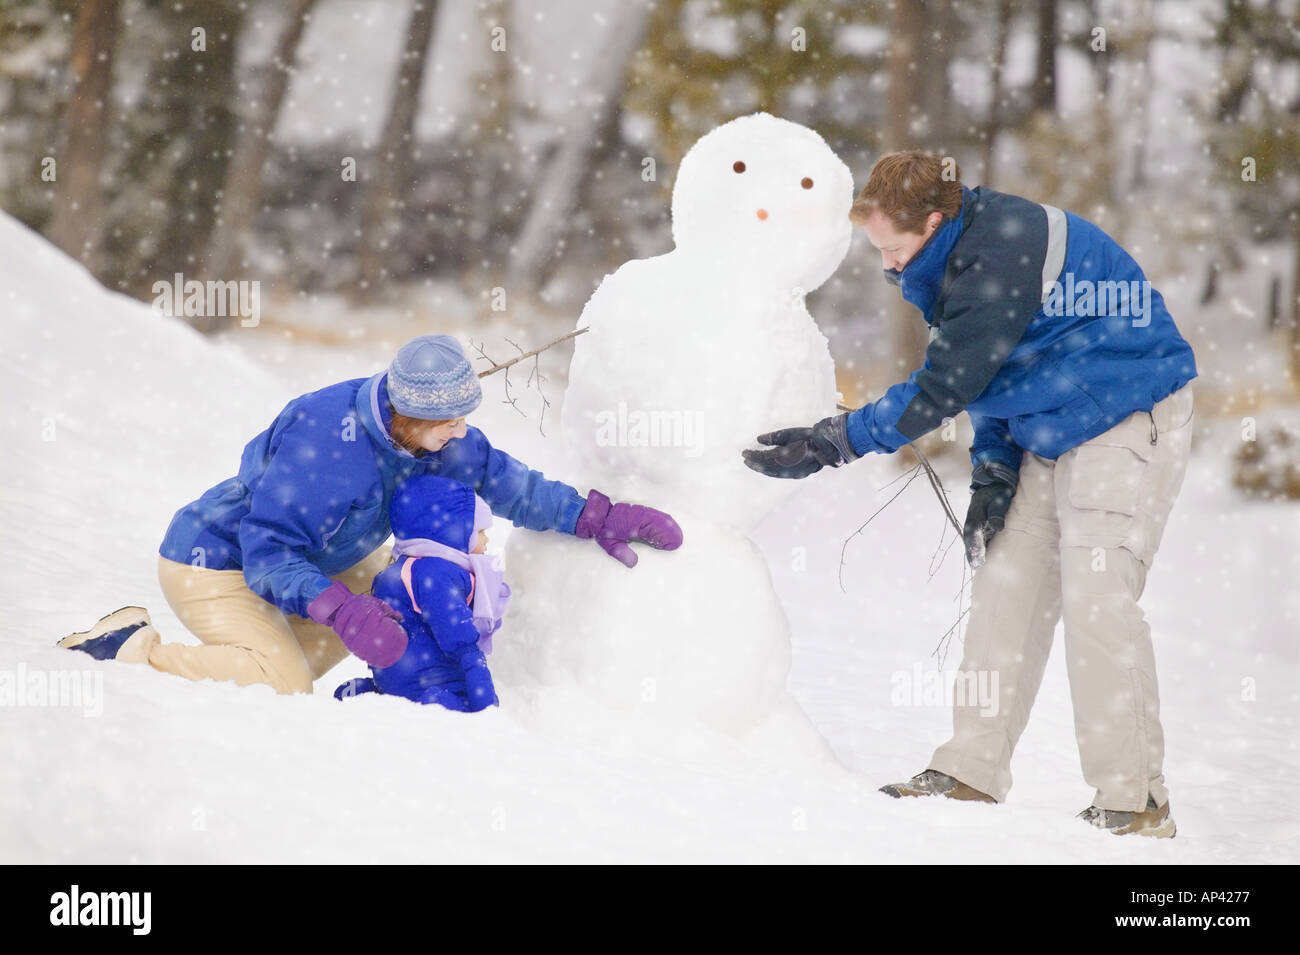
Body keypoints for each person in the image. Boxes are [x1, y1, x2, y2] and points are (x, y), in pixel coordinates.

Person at [743, 151, 1196, 838]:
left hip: (1128, 412)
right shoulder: (960, 252)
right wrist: (994, 469)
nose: (889, 267)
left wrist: (836, 439)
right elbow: (996, 372)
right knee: (1005, 585)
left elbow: (945, 385)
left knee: (1097, 596)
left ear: (932, 221)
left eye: (894, 250)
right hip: (1051, 424)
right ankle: (971, 770)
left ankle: (1136, 800)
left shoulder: (996, 254)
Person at [61, 335, 683, 695]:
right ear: (406, 417)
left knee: (377, 606)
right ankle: (131, 653)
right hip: (218, 563)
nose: (462, 432)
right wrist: (340, 608)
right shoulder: (326, 445)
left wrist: (598, 517)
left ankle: (320, 665)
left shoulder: (435, 437)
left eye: (466, 416)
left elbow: (510, 484)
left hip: (322, 559)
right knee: (283, 685)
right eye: (450, 422)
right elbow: (268, 552)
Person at [332, 474, 509, 712]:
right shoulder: (436, 572)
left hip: (400, 671)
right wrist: (485, 702)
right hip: (432, 681)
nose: (486, 540)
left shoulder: (400, 569)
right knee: (452, 702)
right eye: (480, 532)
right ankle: (432, 705)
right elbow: (456, 633)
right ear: (452, 534)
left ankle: (382, 694)